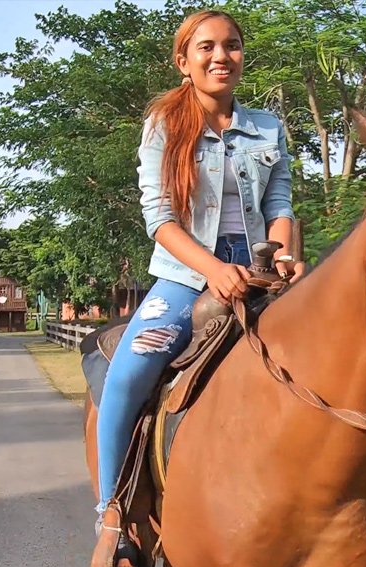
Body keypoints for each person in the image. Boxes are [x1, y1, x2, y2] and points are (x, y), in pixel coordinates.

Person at [94, 9, 303, 532]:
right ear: (183, 61)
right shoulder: (165, 126)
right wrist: (213, 269)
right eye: (206, 47)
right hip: (187, 274)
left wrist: (281, 257)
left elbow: (280, 206)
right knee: (131, 372)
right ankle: (111, 509)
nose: (221, 56)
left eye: (230, 46)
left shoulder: (268, 128)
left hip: (260, 268)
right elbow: (160, 219)